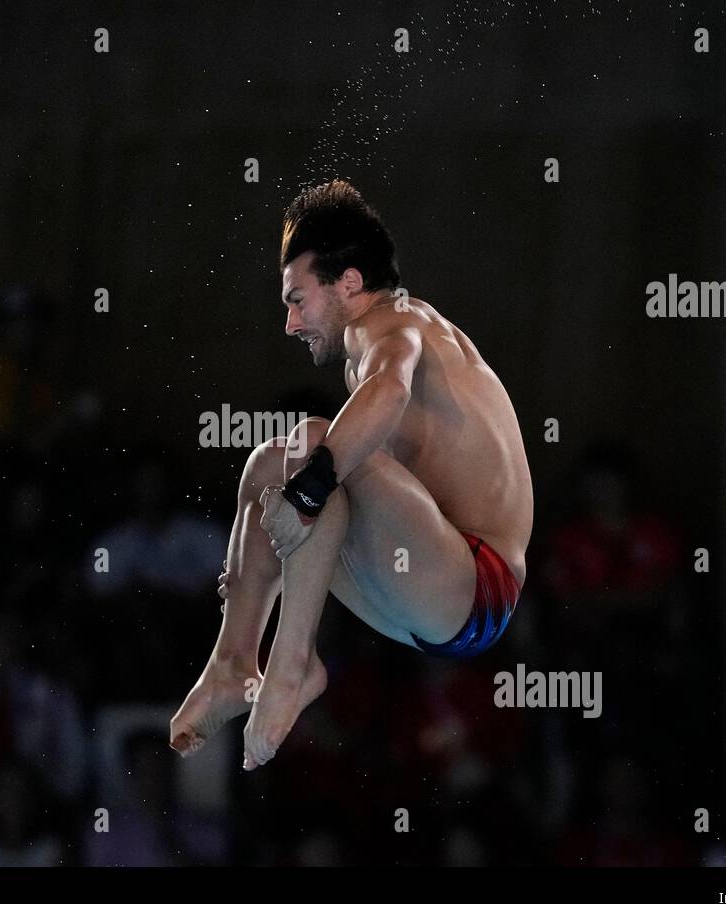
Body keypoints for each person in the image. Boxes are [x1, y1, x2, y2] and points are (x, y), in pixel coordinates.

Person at [170, 180, 533, 771]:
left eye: (297, 299)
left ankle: (292, 666)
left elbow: (388, 389)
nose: (290, 324)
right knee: (271, 462)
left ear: (351, 283)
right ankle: (234, 663)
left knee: (315, 448)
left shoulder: (389, 326)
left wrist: (308, 492)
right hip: (428, 599)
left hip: (475, 583)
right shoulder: (385, 334)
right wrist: (277, 532)